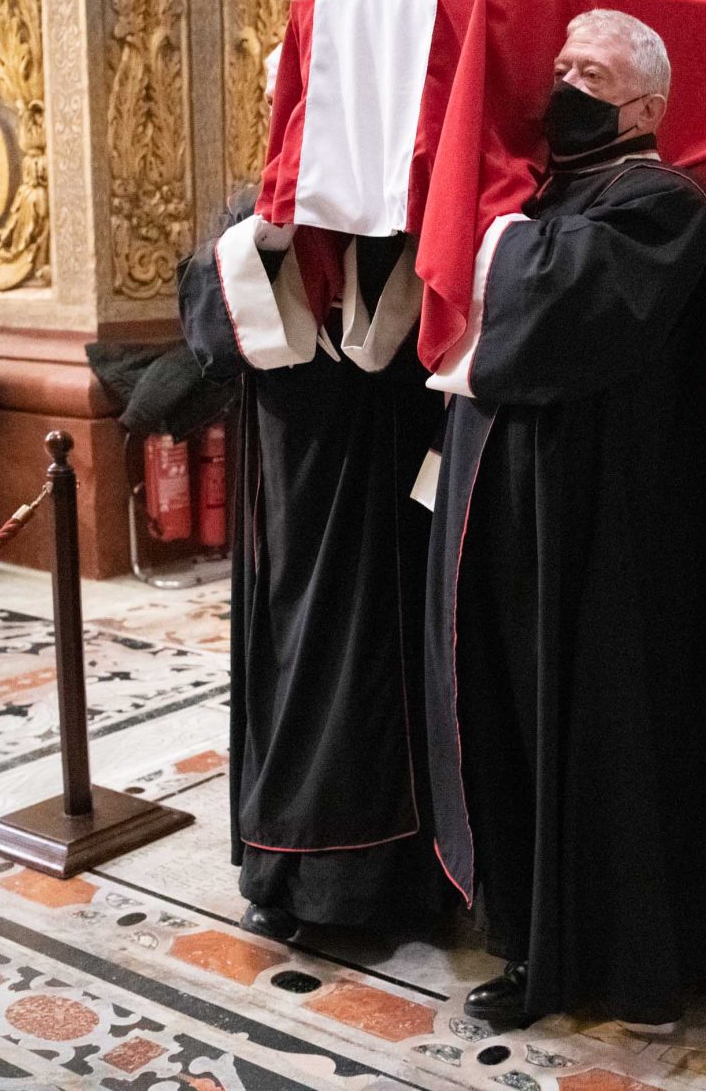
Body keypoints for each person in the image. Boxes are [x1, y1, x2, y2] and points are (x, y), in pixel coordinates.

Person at [421, 10, 706, 1027]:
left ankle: (597, 956)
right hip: (518, 520)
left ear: (647, 104)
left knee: (594, 732)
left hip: (603, 536)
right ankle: (527, 930)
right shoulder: (552, 192)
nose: (565, 84)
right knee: (518, 723)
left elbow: (558, 315)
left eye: (591, 74)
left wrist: (499, 232)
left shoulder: (660, 201)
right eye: (558, 65)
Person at [178, 198, 451, 936]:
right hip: (294, 491)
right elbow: (209, 334)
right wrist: (266, 237)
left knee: (387, 673)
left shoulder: (416, 209)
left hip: (392, 486)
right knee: (298, 665)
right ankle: (293, 871)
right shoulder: (258, 209)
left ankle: (400, 882)